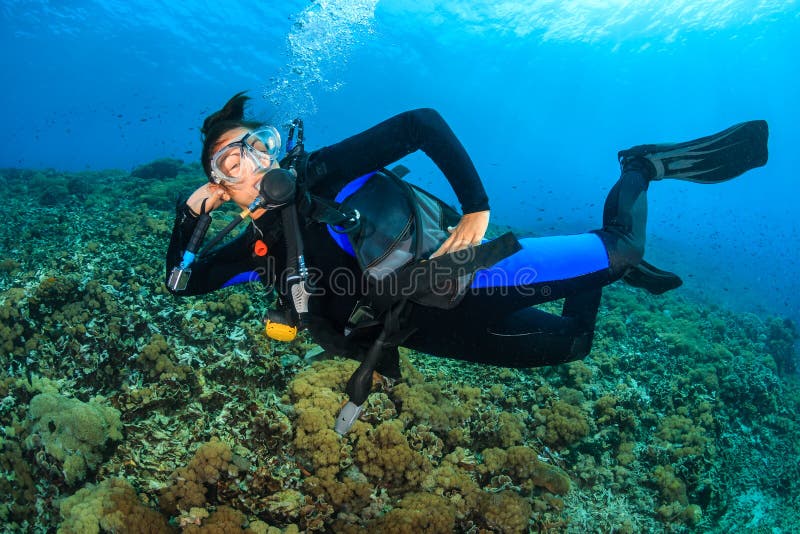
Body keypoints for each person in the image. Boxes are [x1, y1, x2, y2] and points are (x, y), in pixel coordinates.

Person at [166, 92, 768, 430]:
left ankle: (641, 168)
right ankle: (602, 272)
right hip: (421, 328)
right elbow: (182, 283)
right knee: (572, 344)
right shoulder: (256, 250)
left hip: (466, 271)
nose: (254, 162)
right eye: (233, 162)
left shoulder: (321, 171)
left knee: (623, 247)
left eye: (258, 145)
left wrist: (476, 208)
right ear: (220, 186)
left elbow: (420, 123)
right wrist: (190, 215)